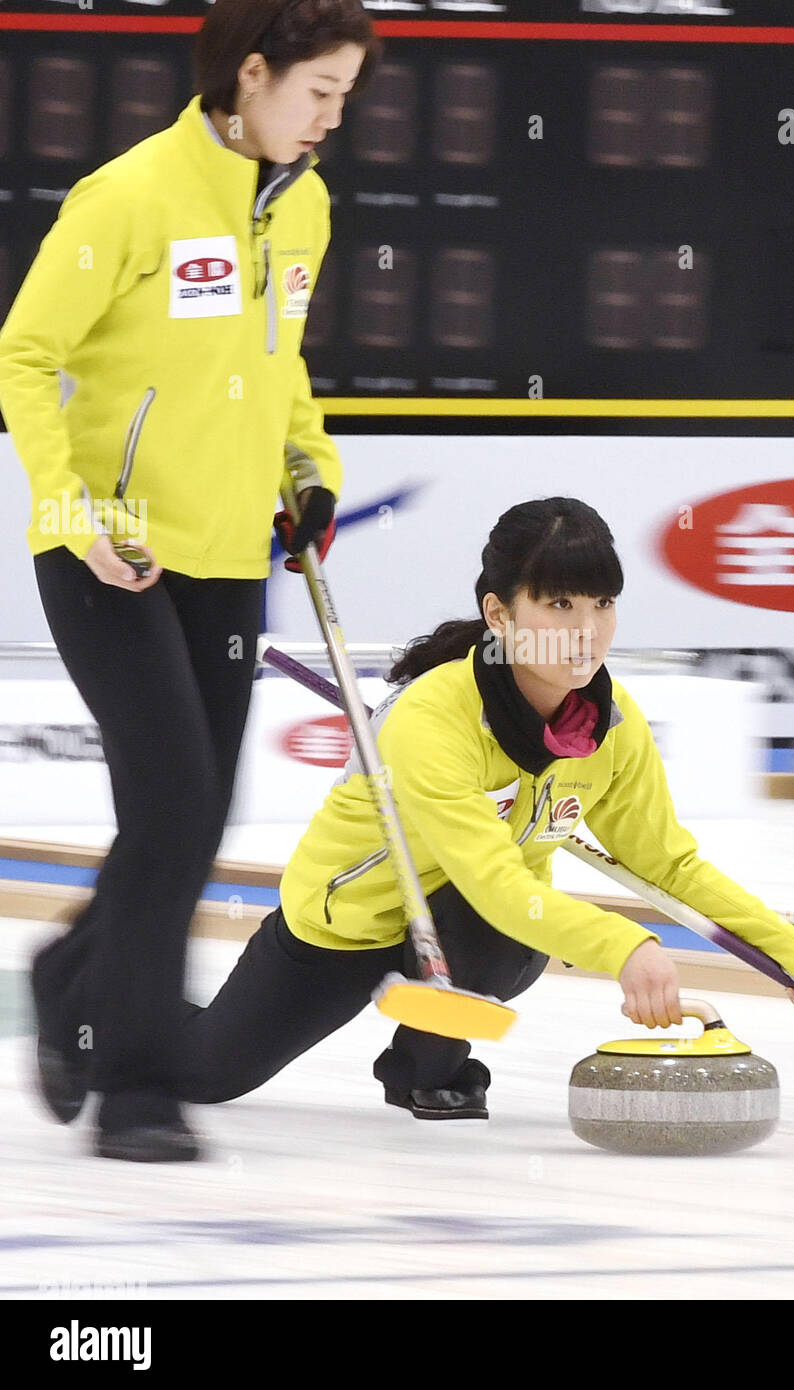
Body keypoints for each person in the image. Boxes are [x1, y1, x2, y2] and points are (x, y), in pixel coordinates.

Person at [89, 495, 794, 1137]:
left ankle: (427, 1069)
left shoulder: (612, 728)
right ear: (499, 613)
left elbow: (670, 867)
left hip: (468, 930)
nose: (584, 629)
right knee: (201, 1076)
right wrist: (626, 947)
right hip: (343, 925)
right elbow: (486, 875)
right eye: (557, 604)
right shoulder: (432, 718)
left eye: (602, 603)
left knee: (502, 937)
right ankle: (100, 995)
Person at [0, 0, 381, 1162]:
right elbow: (25, 353)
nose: (330, 117)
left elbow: (278, 362)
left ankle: (69, 969)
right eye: (317, 92)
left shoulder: (300, 205)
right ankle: (134, 1079)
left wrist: (309, 468)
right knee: (167, 806)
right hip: (111, 554)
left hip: (225, 557)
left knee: (195, 817)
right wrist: (75, 515)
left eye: (344, 97)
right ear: (250, 76)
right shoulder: (126, 197)